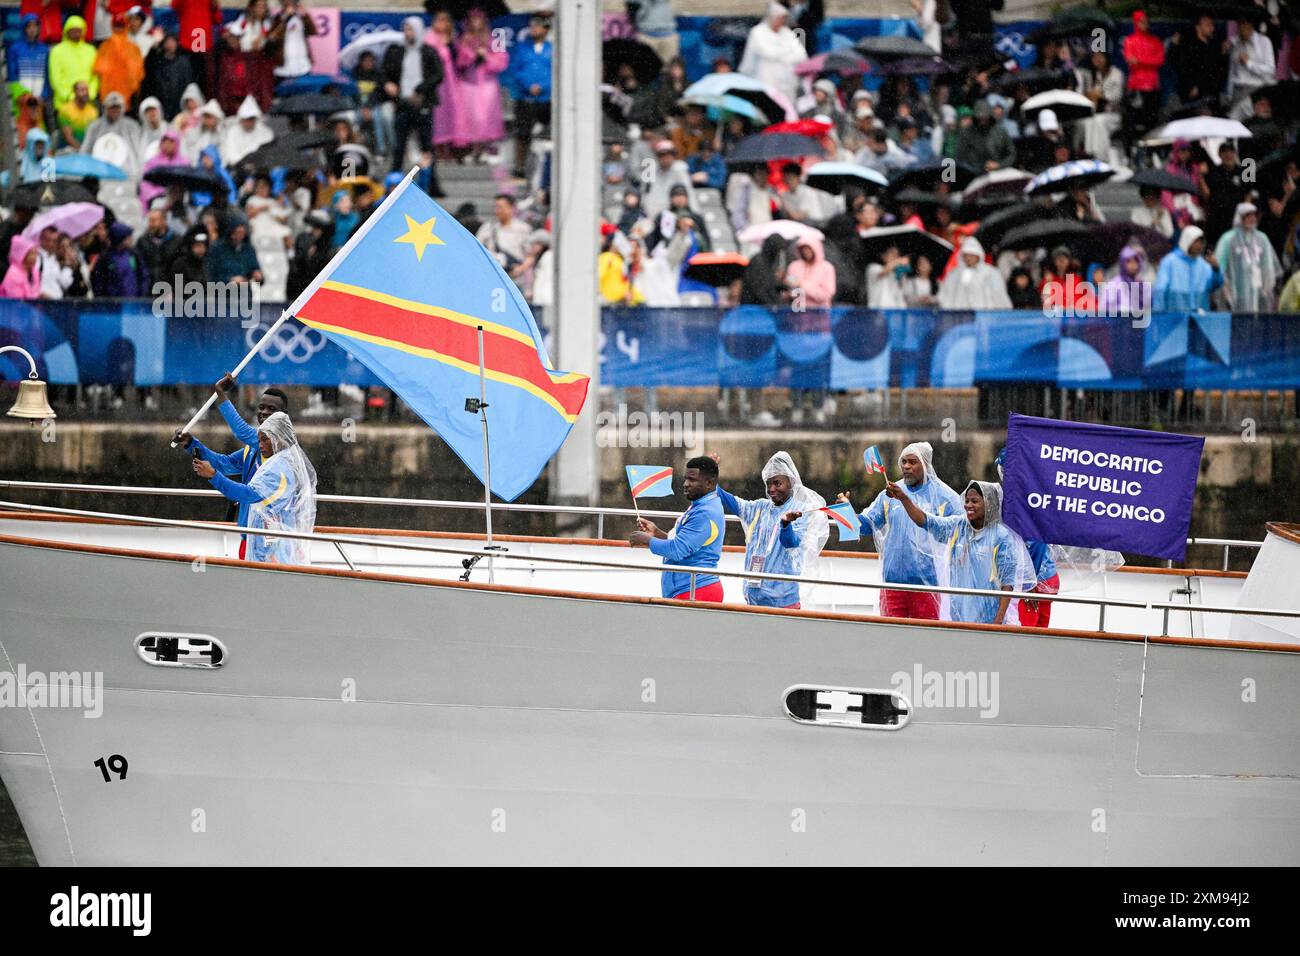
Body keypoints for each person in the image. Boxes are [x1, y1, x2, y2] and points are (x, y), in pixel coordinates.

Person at [885, 477, 1034, 625]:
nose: (968, 505)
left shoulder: (1001, 537)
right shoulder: (959, 526)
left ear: (989, 504)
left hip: (988, 620)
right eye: (967, 501)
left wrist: (998, 621)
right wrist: (904, 499)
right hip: (958, 618)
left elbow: (1007, 585)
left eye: (974, 501)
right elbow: (925, 521)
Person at [839, 442, 962, 620]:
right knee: (891, 639)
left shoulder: (946, 496)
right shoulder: (890, 493)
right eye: (903, 462)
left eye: (912, 462)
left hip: (927, 586)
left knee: (924, 641)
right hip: (892, 584)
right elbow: (867, 525)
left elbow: (961, 531)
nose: (906, 466)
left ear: (926, 465)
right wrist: (846, 511)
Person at [175, 376, 290, 560]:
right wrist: (191, 443)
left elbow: (241, 431)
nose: (264, 412)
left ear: (284, 416)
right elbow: (224, 464)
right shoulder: (253, 449)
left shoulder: (281, 447)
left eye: (272, 409)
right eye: (261, 407)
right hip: (248, 537)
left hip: (272, 543)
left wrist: (220, 393)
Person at [193, 410, 317, 565]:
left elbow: (248, 494)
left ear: (278, 439)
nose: (260, 446)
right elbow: (227, 464)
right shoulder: (287, 460)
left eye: (265, 440)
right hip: (274, 540)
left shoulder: (278, 468)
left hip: (272, 547)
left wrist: (213, 475)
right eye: (259, 441)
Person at [713, 450, 829, 610]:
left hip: (784, 600)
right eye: (768, 484)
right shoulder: (760, 507)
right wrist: (712, 479)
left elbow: (791, 543)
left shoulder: (802, 511)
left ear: (791, 483)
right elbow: (731, 501)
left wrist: (786, 525)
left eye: (777, 483)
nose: (772, 489)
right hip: (753, 596)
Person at [628, 455, 726, 602]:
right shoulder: (700, 506)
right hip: (689, 588)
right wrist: (657, 533)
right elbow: (685, 544)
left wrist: (647, 540)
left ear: (709, 483)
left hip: (695, 590)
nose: (686, 484)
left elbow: (677, 550)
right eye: (686, 479)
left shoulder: (705, 513)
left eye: (692, 480)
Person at [994, 449, 1059, 628]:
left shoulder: (1023, 500)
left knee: (1026, 636)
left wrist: (1028, 583)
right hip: (1048, 575)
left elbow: (1036, 542)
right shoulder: (1037, 493)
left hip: (1034, 581)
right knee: (1040, 635)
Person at [383, 16, 445, 197]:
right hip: (402, 103)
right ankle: (393, 183)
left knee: (427, 147)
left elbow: (438, 75)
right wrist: (388, 83)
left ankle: (431, 184)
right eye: (406, 30)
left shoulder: (428, 52)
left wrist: (421, 89)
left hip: (422, 103)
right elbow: (385, 73)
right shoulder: (396, 51)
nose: (408, 33)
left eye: (411, 29)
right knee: (399, 146)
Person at [455, 7, 508, 163]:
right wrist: (472, 55)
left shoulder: (496, 38)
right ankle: (473, 148)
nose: (476, 22)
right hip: (469, 85)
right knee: (471, 116)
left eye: (479, 19)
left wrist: (487, 56)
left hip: (487, 84)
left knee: (486, 117)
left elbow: (501, 63)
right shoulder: (463, 39)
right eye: (473, 19)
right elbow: (459, 62)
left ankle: (487, 148)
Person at [505, 15, 552, 180]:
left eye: (538, 26)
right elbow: (515, 70)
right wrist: (528, 85)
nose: (534, 29)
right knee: (522, 134)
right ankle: (520, 166)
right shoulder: (522, 48)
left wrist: (543, 86)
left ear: (546, 29)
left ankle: (546, 167)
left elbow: (555, 71)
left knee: (546, 134)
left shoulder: (552, 49)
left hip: (546, 98)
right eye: (532, 26)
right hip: (526, 97)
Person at [1213, 202, 1281, 312]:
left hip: (1258, 293)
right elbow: (1220, 266)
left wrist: (1266, 289)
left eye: (1254, 215)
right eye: (1248, 215)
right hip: (1236, 292)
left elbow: (1268, 267)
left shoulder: (1262, 238)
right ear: (1240, 217)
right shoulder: (1228, 239)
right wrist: (1226, 291)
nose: (1252, 218)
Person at [738, 3, 807, 105]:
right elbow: (767, 52)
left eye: (784, 18)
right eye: (780, 18)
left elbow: (801, 55)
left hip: (787, 81)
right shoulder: (758, 32)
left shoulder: (787, 33)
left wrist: (782, 56)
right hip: (765, 78)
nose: (782, 21)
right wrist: (787, 52)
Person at [425, 7, 466, 157]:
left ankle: (452, 149)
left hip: (453, 83)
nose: (443, 23)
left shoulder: (454, 39)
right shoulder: (430, 38)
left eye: (445, 20)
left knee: (454, 114)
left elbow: (460, 61)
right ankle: (438, 148)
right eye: (439, 20)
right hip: (438, 83)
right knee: (439, 115)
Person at [1121, 10, 1165, 147]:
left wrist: (1140, 60)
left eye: (1146, 21)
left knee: (1152, 121)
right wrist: (1148, 61)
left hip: (1152, 86)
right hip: (1136, 86)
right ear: (1135, 22)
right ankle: (1132, 151)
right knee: (1132, 122)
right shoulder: (1130, 41)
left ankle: (1152, 150)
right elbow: (1130, 60)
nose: (1144, 24)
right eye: (1141, 21)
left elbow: (1160, 61)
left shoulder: (1155, 41)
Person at [1154, 225, 1222, 311]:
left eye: (1201, 242)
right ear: (1186, 241)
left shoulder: (1203, 265)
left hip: (1199, 319)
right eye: (1195, 241)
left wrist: (1216, 269)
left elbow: (1215, 285)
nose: (1199, 245)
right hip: (1174, 318)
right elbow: (1160, 290)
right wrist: (1159, 315)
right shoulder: (1169, 262)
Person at [938, 236, 1012, 309]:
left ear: (978, 255)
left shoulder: (990, 272)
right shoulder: (954, 274)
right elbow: (945, 295)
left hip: (983, 316)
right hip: (958, 316)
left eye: (971, 255)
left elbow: (998, 295)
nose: (968, 258)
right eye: (966, 255)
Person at [1227, 15, 1274, 121]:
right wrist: (1229, 92)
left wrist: (1249, 63)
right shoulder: (1234, 42)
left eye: (1244, 25)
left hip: (1255, 89)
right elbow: (1232, 70)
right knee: (1234, 123)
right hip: (1237, 90)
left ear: (1251, 25)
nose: (1241, 28)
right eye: (1239, 25)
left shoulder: (1264, 42)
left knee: (1250, 124)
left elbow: (1270, 70)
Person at [93, 14, 146, 106]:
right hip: (108, 90)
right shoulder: (105, 46)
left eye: (121, 26)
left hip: (128, 93)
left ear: (126, 26)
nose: (119, 29)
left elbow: (139, 72)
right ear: (112, 26)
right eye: (117, 26)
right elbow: (99, 70)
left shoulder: (133, 47)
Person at [49, 16, 99, 110]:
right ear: (66, 31)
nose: (76, 33)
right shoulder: (57, 51)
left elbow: (95, 76)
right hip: (64, 103)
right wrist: (71, 97)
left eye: (79, 30)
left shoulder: (91, 50)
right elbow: (56, 79)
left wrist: (90, 95)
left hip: (88, 102)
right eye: (73, 30)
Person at [90, 222, 149, 298]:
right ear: (120, 239)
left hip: (134, 303)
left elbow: (144, 275)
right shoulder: (105, 258)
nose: (131, 239)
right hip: (114, 305)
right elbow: (98, 282)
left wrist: (142, 294)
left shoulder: (134, 254)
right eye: (128, 237)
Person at [476, 194, 532, 271]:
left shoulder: (523, 229)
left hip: (517, 278)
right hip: (495, 274)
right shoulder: (488, 227)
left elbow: (530, 255)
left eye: (500, 207)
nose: (497, 210)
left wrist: (521, 269)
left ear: (511, 208)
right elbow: (477, 248)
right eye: (495, 207)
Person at [207, 214, 263, 285]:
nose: (240, 236)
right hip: (223, 292)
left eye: (242, 233)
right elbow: (211, 276)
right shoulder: (217, 249)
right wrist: (229, 280)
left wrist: (257, 275)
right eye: (237, 232)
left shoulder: (248, 249)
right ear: (231, 232)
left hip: (244, 291)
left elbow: (255, 269)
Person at [220, 95, 275, 166]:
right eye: (246, 119)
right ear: (241, 119)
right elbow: (230, 152)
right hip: (239, 167)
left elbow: (268, 152)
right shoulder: (233, 132)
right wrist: (243, 163)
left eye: (251, 119)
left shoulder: (265, 132)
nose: (248, 122)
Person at [7, 14, 50, 101]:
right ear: (24, 28)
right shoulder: (15, 48)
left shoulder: (45, 49)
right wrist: (20, 94)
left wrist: (44, 95)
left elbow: (47, 74)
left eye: (35, 26)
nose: (32, 29)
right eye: (29, 26)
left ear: (39, 28)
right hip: (21, 96)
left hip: (40, 96)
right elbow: (12, 74)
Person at [1, 235, 42, 300]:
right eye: (31, 254)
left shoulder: (34, 271)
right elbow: (17, 301)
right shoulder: (14, 274)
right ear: (22, 255)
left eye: (36, 253)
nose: (34, 257)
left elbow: (36, 293)